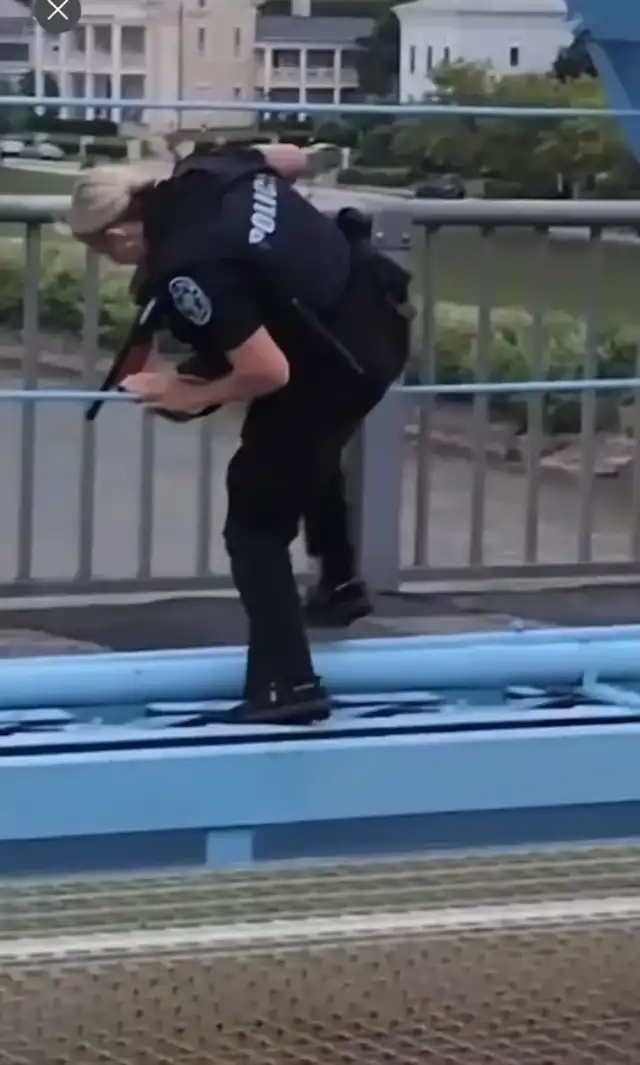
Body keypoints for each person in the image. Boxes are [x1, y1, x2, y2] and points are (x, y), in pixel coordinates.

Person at [68, 143, 410, 726]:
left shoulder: (188, 267)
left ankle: (287, 686)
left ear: (121, 236)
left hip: (334, 362)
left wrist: (187, 395)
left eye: (100, 249)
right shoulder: (209, 167)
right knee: (303, 451)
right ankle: (339, 583)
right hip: (374, 310)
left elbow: (267, 372)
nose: (111, 260)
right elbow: (291, 159)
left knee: (254, 521)